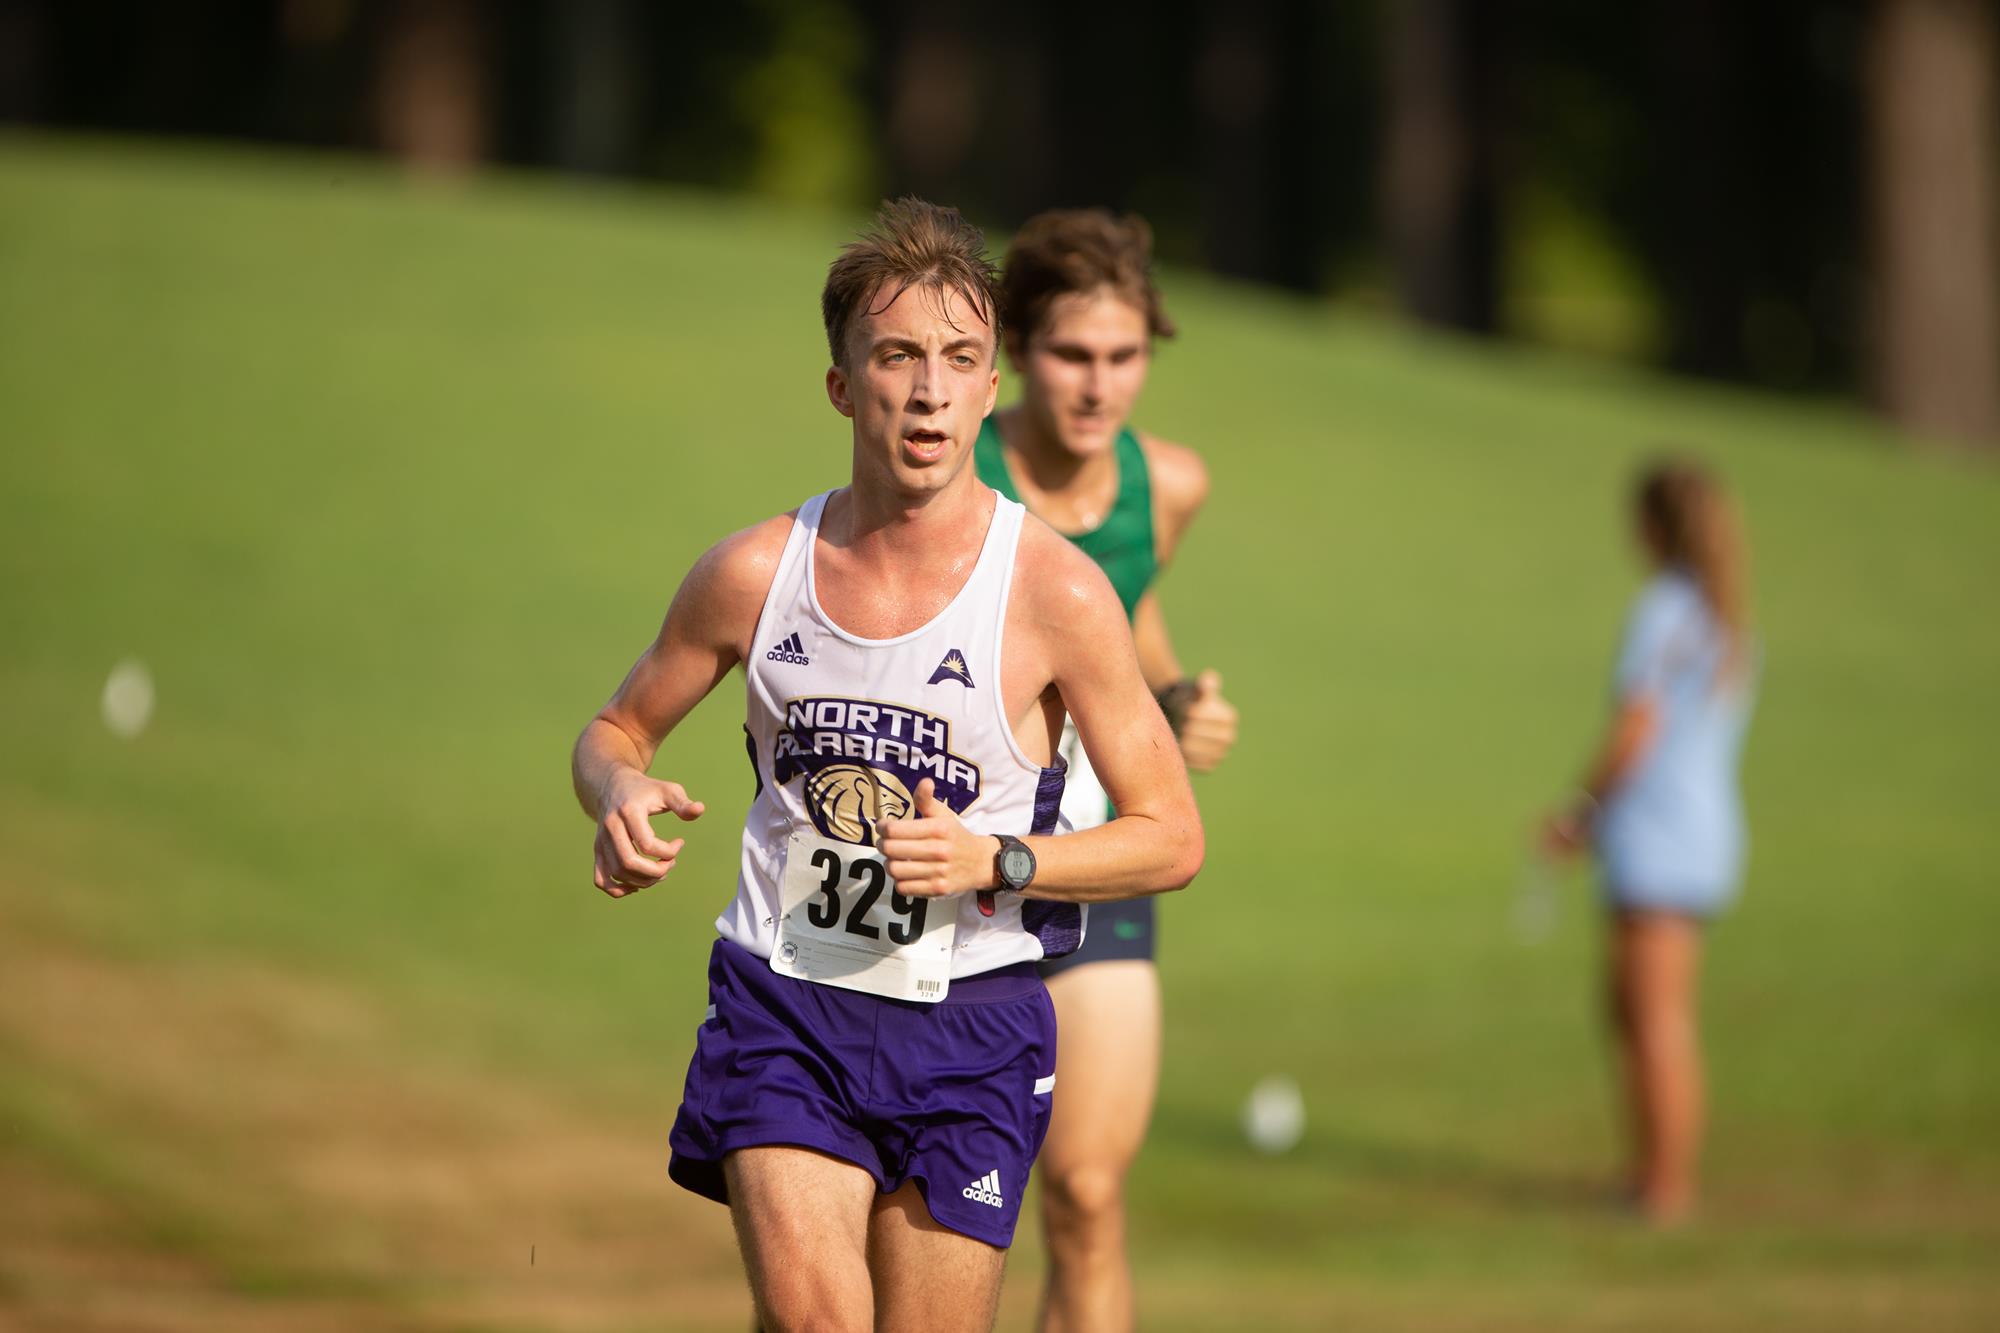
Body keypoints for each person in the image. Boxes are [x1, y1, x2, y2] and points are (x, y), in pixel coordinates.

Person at [569, 197, 1204, 1333]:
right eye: (897, 356)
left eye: (960, 360)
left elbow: (1171, 835)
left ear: (991, 384)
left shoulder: (1053, 591)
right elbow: (615, 729)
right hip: (787, 998)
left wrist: (993, 857)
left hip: (973, 1022)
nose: (928, 390)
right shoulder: (756, 572)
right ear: (840, 384)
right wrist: (615, 789)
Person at [974, 208, 1237, 1331]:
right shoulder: (950, 468)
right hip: (945, 868)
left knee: (1084, 1191)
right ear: (1017, 353)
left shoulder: (1166, 485)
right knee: (917, 1211)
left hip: (1088, 861)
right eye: (1070, 354)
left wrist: (1182, 704)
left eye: (1122, 356)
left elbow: (1121, 616)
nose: (1097, 385)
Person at [1539, 459, 1755, 1226]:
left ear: (1656, 525)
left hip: (1660, 836)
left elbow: (1637, 726)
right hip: (1704, 830)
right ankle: (1649, 1172)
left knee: (1654, 1016)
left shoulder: (1664, 610)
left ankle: (1664, 1188)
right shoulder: (1720, 614)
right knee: (1638, 1010)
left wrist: (1580, 808)